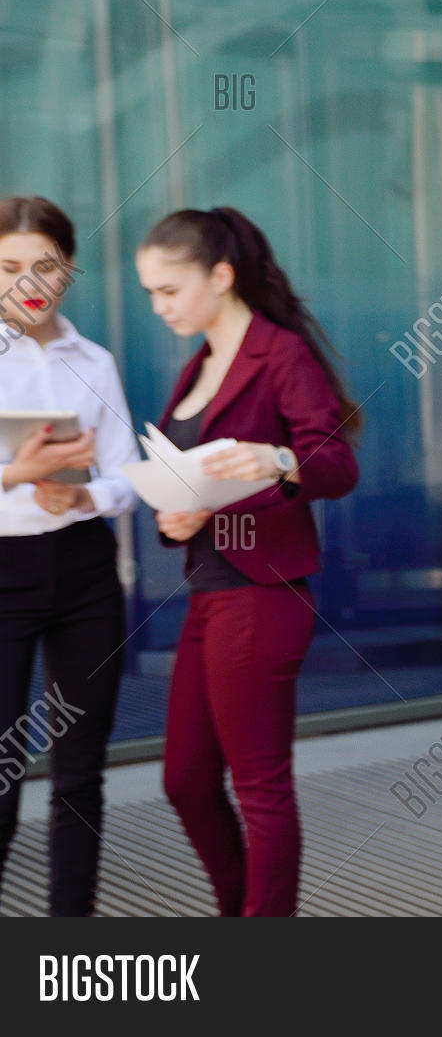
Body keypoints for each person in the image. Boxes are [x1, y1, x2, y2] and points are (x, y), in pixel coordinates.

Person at [137, 207, 359, 916]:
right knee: (185, 781)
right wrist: (180, 516)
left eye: (169, 289)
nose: (159, 305)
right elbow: (198, 486)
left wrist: (282, 459)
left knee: (259, 789)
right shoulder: (198, 365)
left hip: (264, 595)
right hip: (210, 592)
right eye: (150, 292)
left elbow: (337, 464)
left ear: (221, 276)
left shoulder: (278, 353)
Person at [0, 195, 138, 915]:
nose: (28, 281)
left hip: (84, 570)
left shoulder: (96, 361)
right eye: (9, 266)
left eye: (45, 266)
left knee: (81, 770)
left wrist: (82, 496)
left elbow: (126, 477)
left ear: (68, 270)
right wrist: (15, 477)